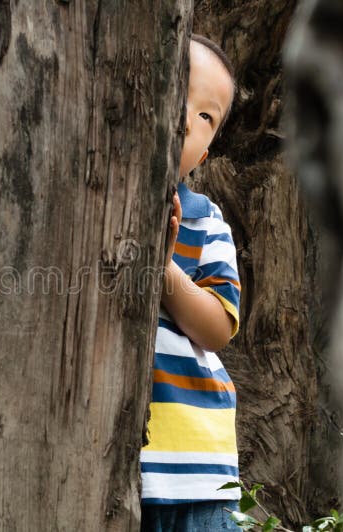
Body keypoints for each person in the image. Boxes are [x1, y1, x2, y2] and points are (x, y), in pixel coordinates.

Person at [140, 34, 242, 532]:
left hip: (196, 466)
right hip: (119, 466)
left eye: (208, 117)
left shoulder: (205, 221)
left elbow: (219, 328)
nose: (187, 118)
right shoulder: (88, 199)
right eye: (183, 93)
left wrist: (163, 268)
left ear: (203, 156)